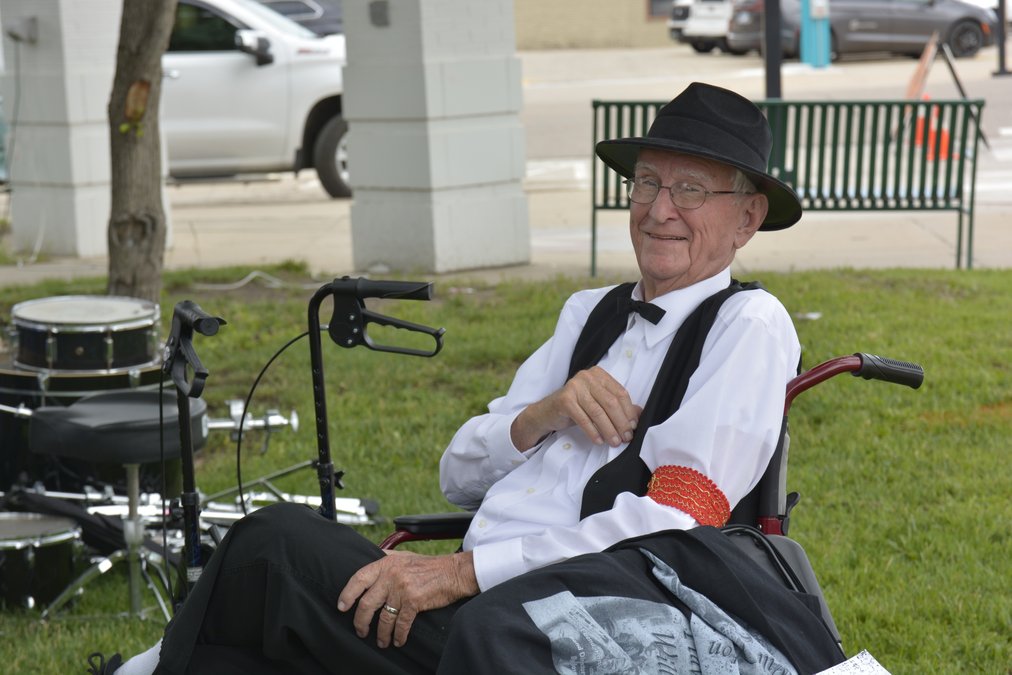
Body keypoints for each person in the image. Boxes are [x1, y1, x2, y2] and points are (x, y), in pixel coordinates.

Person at [103, 82, 842, 675]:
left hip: (554, 619)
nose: (658, 210)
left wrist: (465, 572)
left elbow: (676, 523)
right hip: (474, 593)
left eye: (690, 190)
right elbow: (458, 470)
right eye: (647, 182)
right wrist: (542, 413)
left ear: (746, 220)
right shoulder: (589, 313)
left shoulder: (749, 323)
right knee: (264, 573)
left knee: (275, 559)